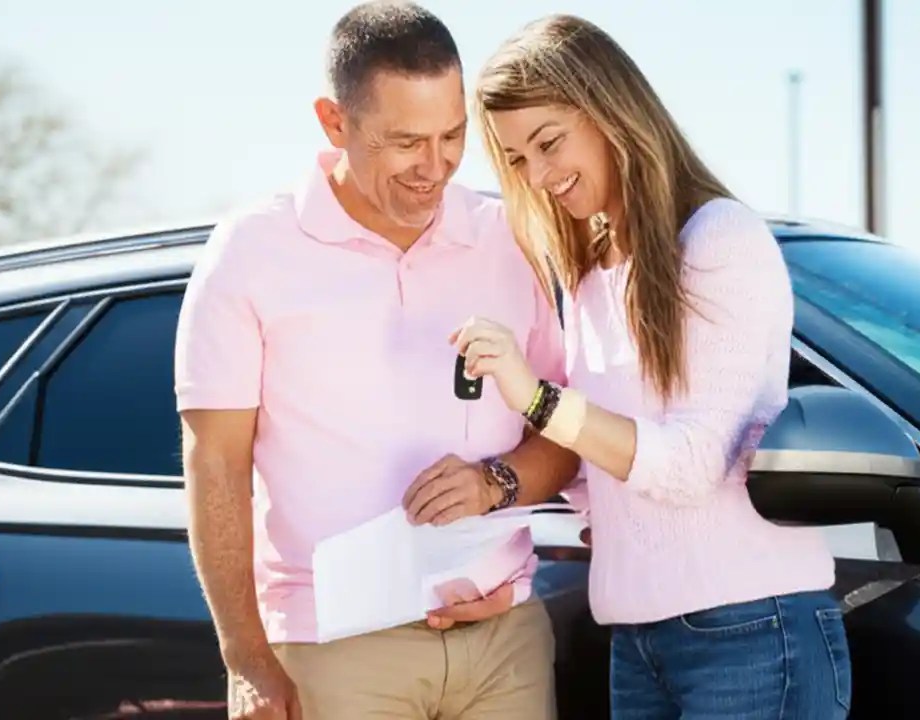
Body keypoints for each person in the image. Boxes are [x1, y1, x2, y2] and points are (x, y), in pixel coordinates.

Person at [173, 3, 578, 719]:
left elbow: (564, 428)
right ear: (335, 123)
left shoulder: (508, 239)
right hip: (336, 652)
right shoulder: (251, 252)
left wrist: (497, 482)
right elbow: (216, 465)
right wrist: (246, 660)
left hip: (503, 639)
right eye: (404, 142)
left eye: (452, 136)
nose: (435, 167)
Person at [455, 13, 853, 720]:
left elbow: (693, 463)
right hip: (636, 640)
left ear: (612, 110)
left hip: (752, 633)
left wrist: (539, 398)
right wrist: (484, 508)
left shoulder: (719, 239)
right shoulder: (588, 275)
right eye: (518, 161)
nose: (540, 176)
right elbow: (600, 468)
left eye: (549, 142)